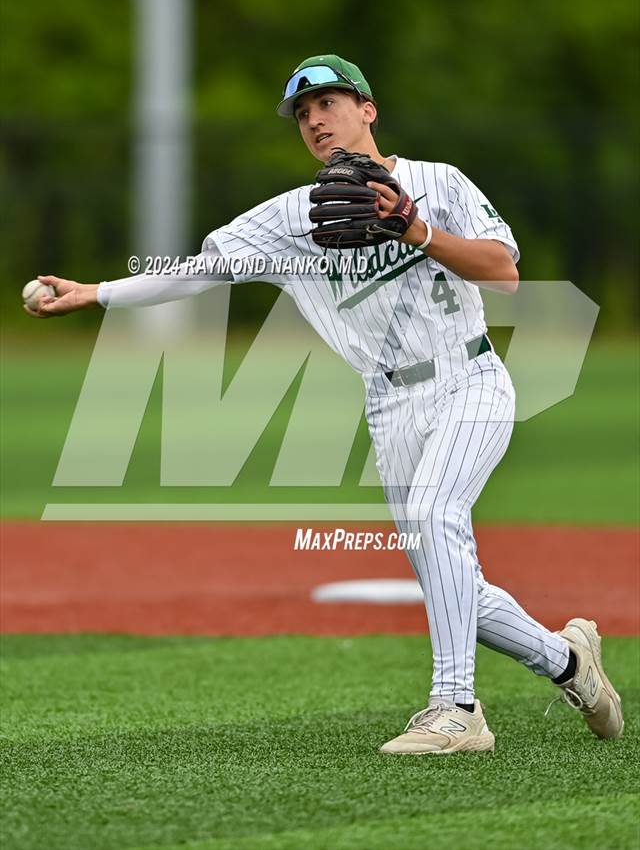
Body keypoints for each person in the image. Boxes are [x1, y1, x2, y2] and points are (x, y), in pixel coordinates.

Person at [26, 54, 623, 754]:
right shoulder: (292, 217)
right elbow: (198, 271)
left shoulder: (437, 183)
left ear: (367, 109)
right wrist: (97, 292)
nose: (314, 120)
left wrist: (414, 227)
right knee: (449, 575)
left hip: (471, 379)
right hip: (390, 404)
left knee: (436, 518)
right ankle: (570, 663)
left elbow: (505, 273)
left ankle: (456, 709)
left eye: (328, 103)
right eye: (302, 114)